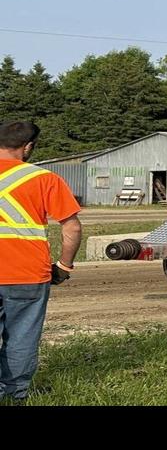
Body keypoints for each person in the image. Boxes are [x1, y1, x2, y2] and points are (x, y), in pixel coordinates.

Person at [0, 121, 82, 402]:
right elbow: (71, 228)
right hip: (26, 273)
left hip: (23, 273)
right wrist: (64, 266)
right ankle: (14, 394)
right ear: (28, 147)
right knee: (21, 336)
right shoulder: (45, 179)